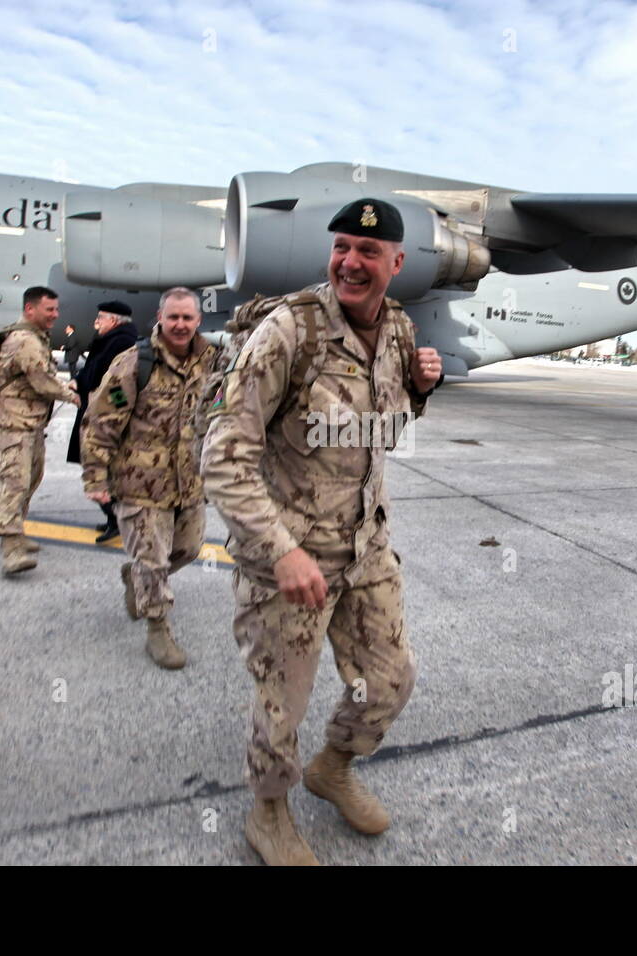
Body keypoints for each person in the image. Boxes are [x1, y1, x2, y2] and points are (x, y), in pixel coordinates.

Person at [201, 199, 444, 865]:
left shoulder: (397, 328)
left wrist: (422, 391)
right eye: (342, 247)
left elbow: (385, 433)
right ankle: (269, 812)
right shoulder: (289, 330)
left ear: (397, 263)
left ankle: (332, 769)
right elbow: (222, 456)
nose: (350, 262)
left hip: (366, 548)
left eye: (368, 253)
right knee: (283, 701)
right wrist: (281, 552)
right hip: (291, 554)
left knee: (391, 678)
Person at [81, 289, 217, 668]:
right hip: (139, 484)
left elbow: (221, 413)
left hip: (189, 481)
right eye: (173, 317)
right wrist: (95, 476)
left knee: (188, 550)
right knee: (153, 561)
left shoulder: (212, 362)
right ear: (160, 316)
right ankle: (158, 629)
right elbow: (101, 421)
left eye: (187, 318)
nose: (180, 324)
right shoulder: (134, 363)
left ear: (198, 320)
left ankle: (136, 576)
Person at [0, 286, 80, 576]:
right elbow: (42, 380)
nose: (55, 315)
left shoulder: (36, 337)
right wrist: (71, 394)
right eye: (49, 309)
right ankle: (10, 548)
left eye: (55, 309)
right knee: (13, 482)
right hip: (12, 423)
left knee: (30, 479)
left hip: (30, 423)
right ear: (30, 310)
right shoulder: (24, 340)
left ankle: (18, 531)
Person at [65, 301, 139, 543]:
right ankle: (112, 519)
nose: (96, 322)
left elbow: (103, 377)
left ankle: (117, 517)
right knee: (99, 467)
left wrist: (81, 382)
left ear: (114, 321)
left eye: (101, 319)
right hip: (96, 408)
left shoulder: (119, 343)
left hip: (102, 413)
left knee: (99, 468)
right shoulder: (112, 340)